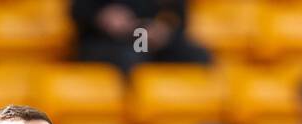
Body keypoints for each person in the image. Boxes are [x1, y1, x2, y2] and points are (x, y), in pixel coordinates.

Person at [70, 0, 209, 75]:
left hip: (147, 39)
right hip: (106, 41)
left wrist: (164, 29)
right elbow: (78, 9)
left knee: (198, 55)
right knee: (131, 56)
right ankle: (133, 118)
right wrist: (102, 16)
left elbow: (178, 16)